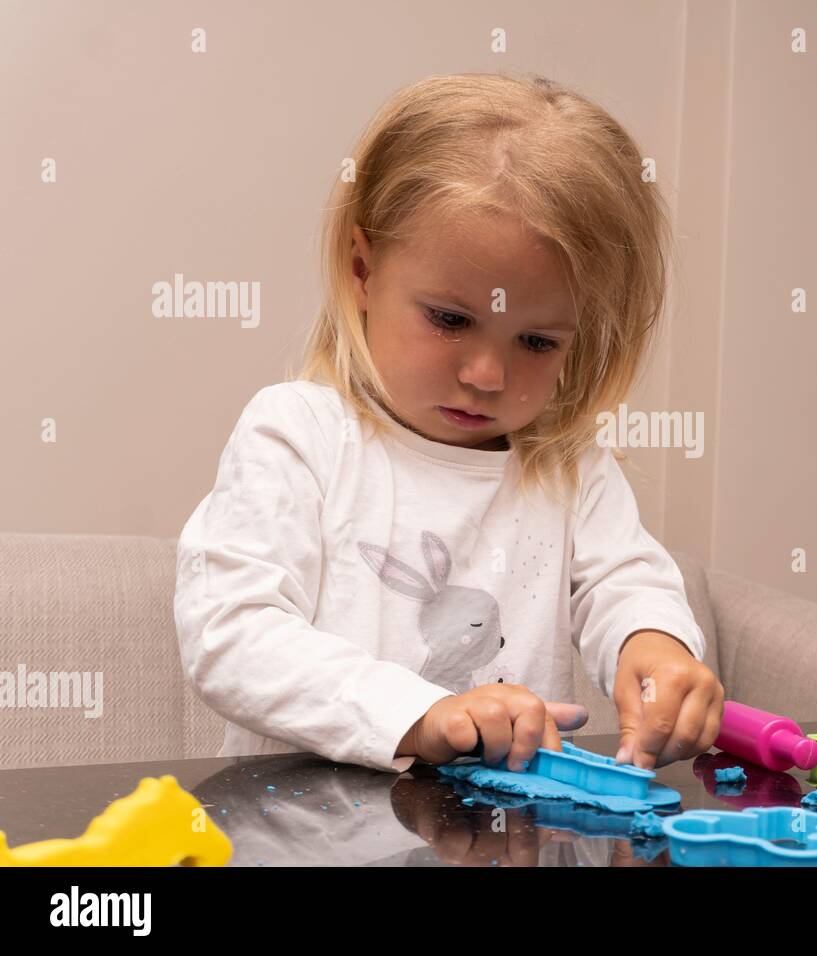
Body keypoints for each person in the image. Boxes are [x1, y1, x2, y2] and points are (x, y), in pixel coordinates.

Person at [174, 73, 723, 776]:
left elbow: (624, 578)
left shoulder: (568, 465)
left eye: (538, 342)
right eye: (451, 320)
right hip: (304, 836)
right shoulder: (299, 435)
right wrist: (417, 715)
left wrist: (656, 644)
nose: (488, 374)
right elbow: (230, 635)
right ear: (362, 269)